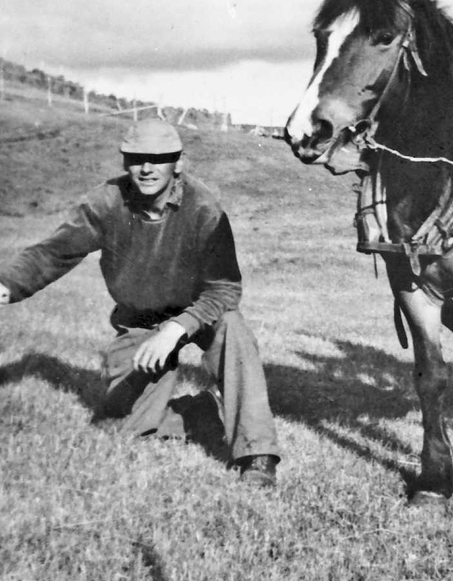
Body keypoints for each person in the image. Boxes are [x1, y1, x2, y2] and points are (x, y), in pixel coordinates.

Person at [0, 119, 282, 487]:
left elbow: (225, 288)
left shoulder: (203, 208)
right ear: (124, 162)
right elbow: (52, 253)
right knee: (123, 430)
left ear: (177, 163)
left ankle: (256, 453)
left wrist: (177, 329)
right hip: (140, 321)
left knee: (234, 331)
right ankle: (200, 410)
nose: (146, 169)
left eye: (158, 159)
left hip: (199, 315)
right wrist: (7, 286)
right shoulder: (106, 202)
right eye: (136, 158)